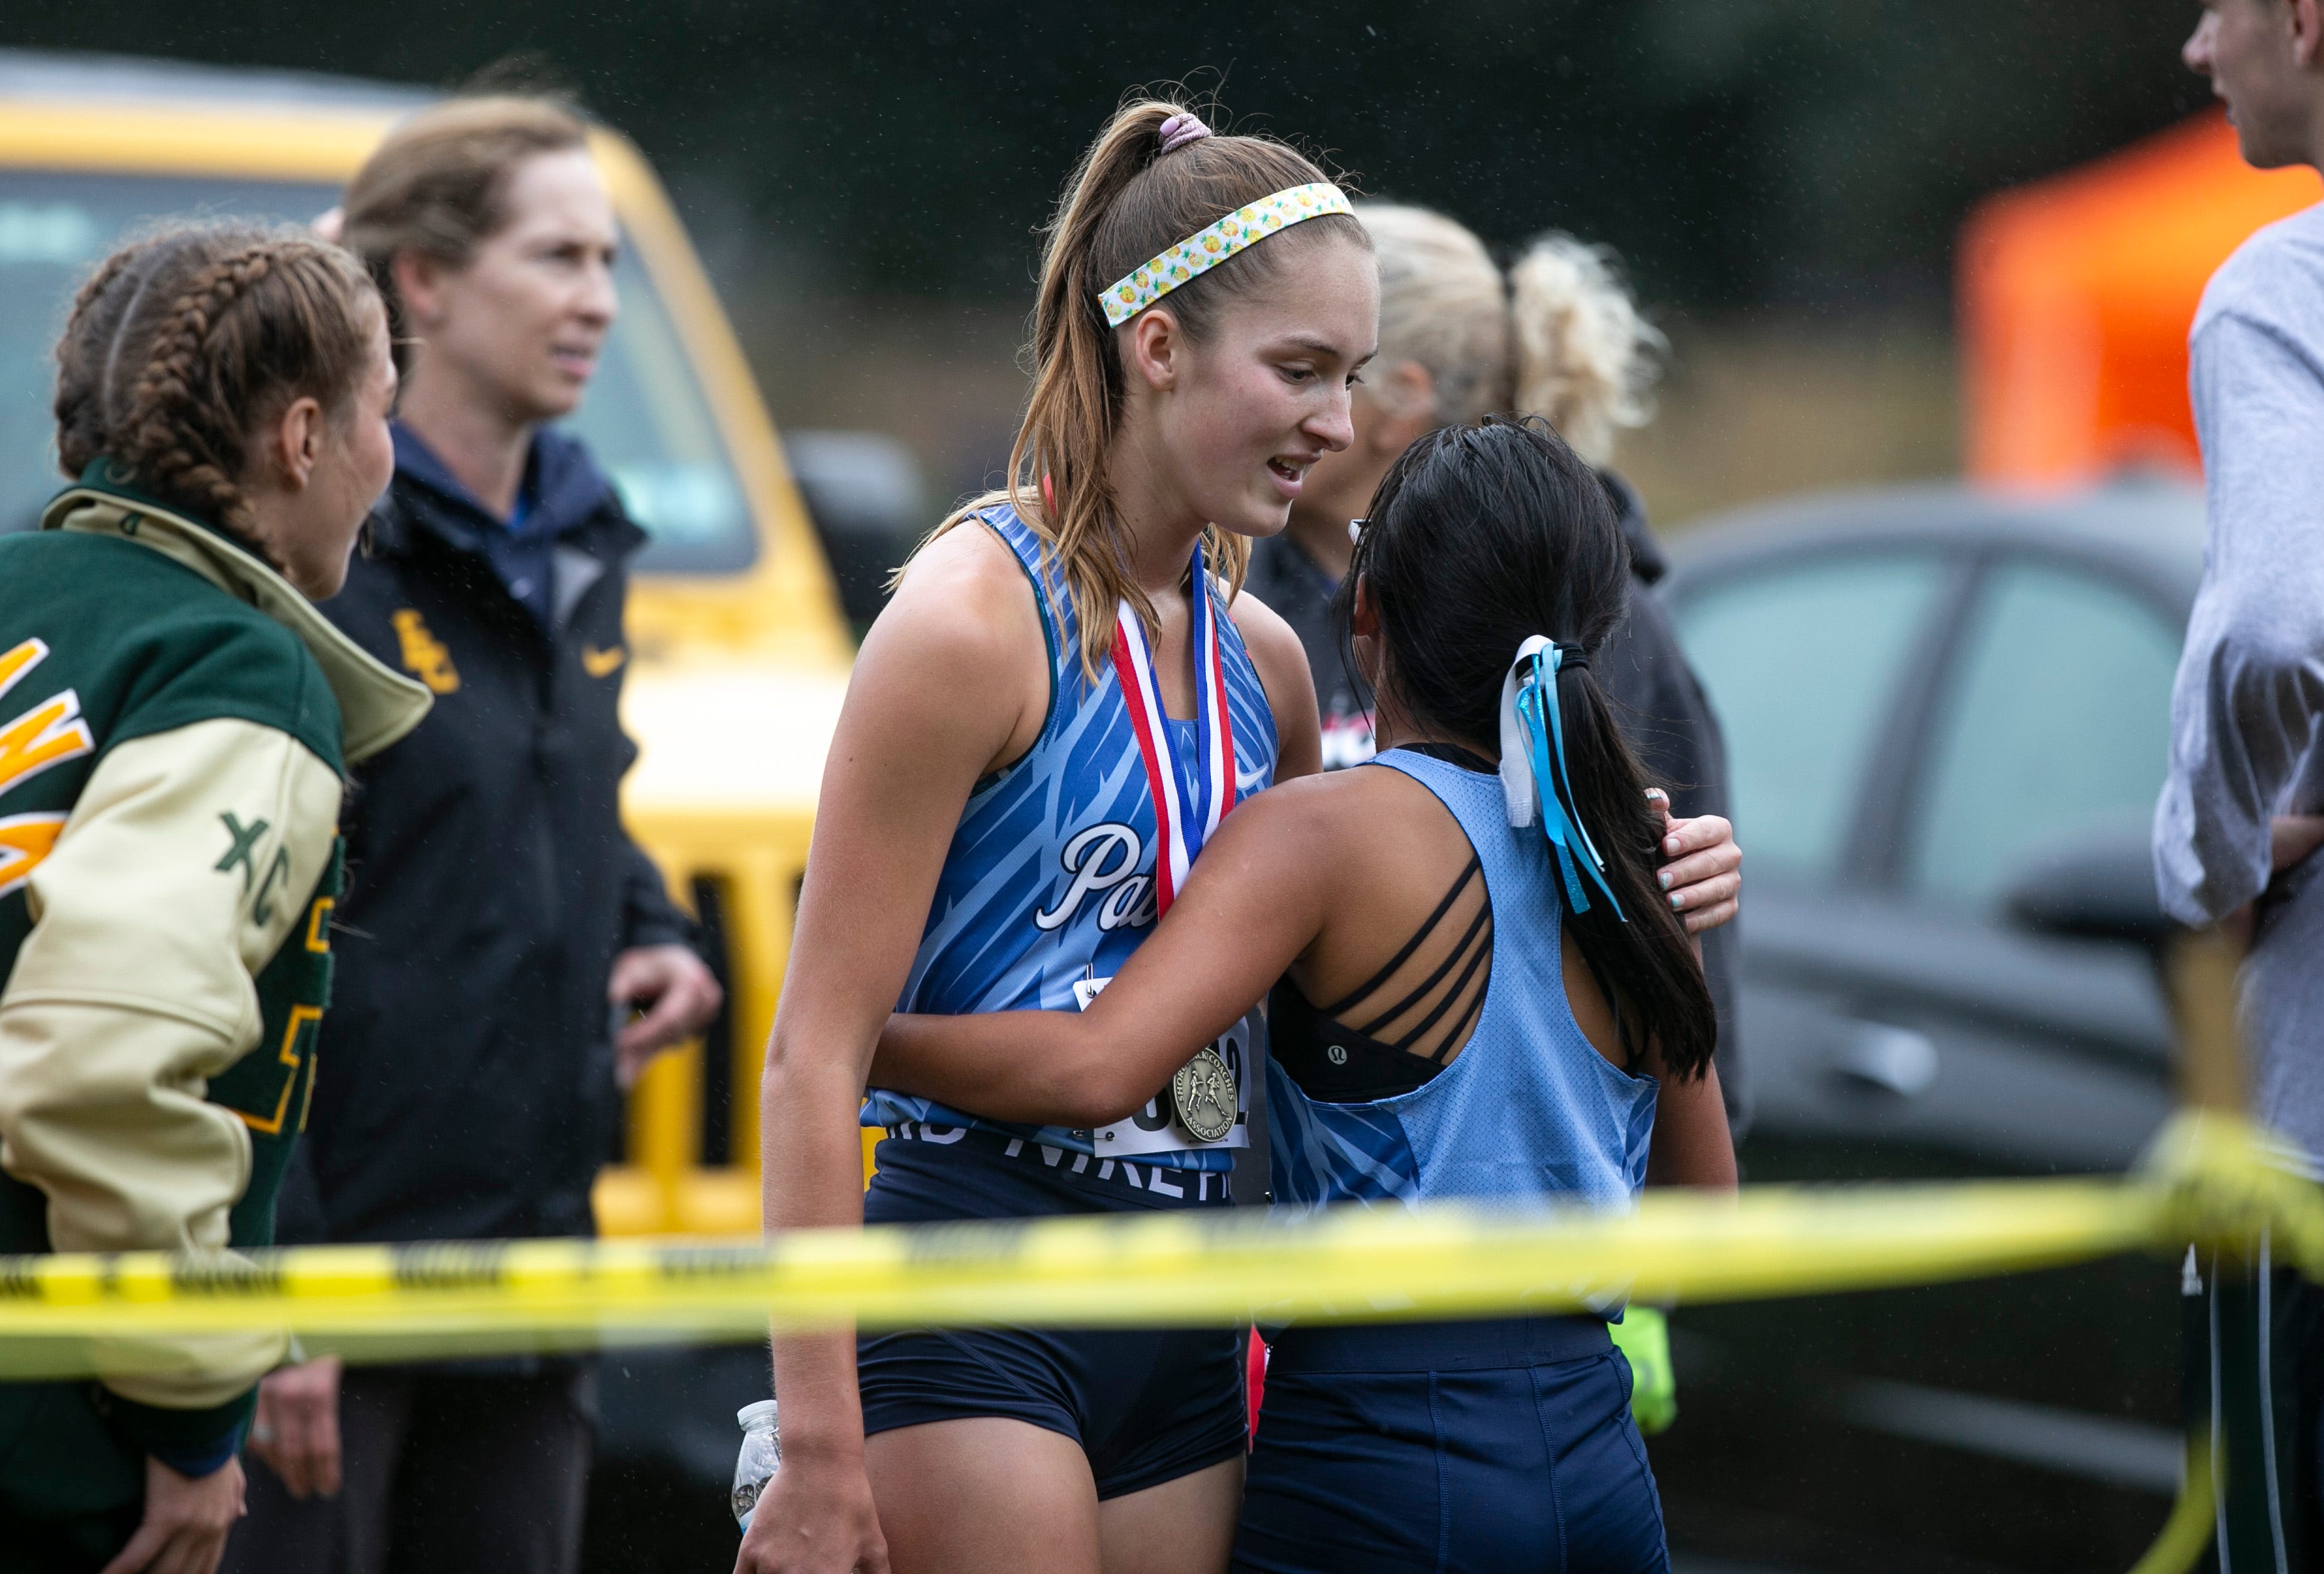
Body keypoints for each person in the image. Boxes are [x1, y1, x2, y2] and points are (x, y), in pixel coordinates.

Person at [873, 415, 1736, 1573]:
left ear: (1364, 610)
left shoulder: (1323, 838)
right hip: (1595, 1456)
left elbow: (1095, 1070)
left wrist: (861, 1040)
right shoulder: (1633, 864)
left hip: (1378, 1452)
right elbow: (1706, 1215)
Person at [736, 98, 1352, 1574]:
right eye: (1299, 369)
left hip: (1185, 1304)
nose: (1335, 421)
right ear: (1157, 349)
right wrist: (818, 1448)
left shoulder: (1264, 663)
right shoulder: (964, 624)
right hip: (975, 1290)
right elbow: (813, 1050)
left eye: (1354, 375)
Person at [223, 96, 721, 1574]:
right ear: (424, 283)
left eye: (613, 261)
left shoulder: (583, 534)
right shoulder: (312, 546)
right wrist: (275, 1285)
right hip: (326, 1274)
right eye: (559, 257)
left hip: (525, 1261)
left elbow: (546, 797)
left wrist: (652, 930)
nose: (598, 302)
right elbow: (227, 936)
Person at [0, 223, 428, 1573]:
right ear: (303, 439)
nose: (388, 463)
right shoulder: (233, 675)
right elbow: (92, 1065)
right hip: (43, 1454)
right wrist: (187, 1408)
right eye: (382, 417)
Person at [1253, 204, 1746, 1136]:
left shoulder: (1591, 629)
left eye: (1315, 373)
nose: (1271, 402)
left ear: (1394, 401)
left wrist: (1682, 871)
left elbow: (1693, 1032)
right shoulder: (1221, 607)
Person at [2160, 3, 2324, 1564]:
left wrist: (2202, 864)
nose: (2200, 52)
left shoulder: (2286, 288)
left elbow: (2280, 623)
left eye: (2217, 8)